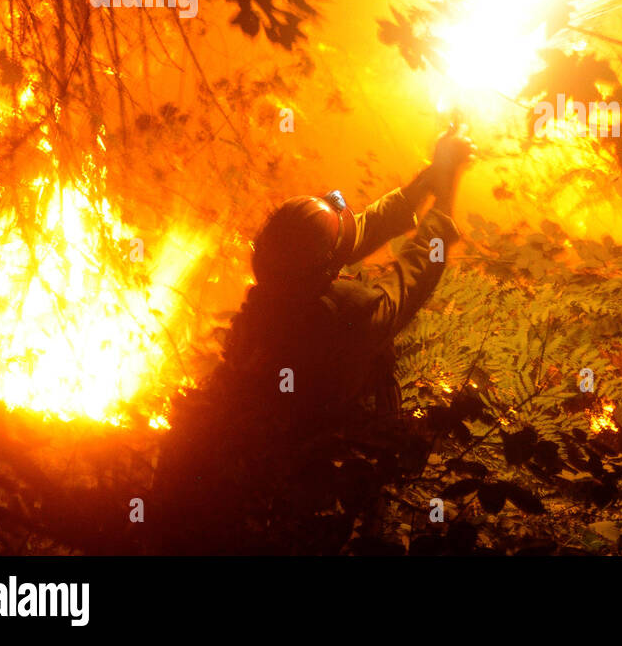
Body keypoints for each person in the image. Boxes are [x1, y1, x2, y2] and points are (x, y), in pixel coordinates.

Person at [151, 125, 476, 554]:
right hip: (325, 483)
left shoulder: (274, 293)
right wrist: (447, 190)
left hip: (258, 469)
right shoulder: (348, 316)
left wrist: (428, 176)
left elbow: (349, 237)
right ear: (323, 269)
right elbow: (415, 274)